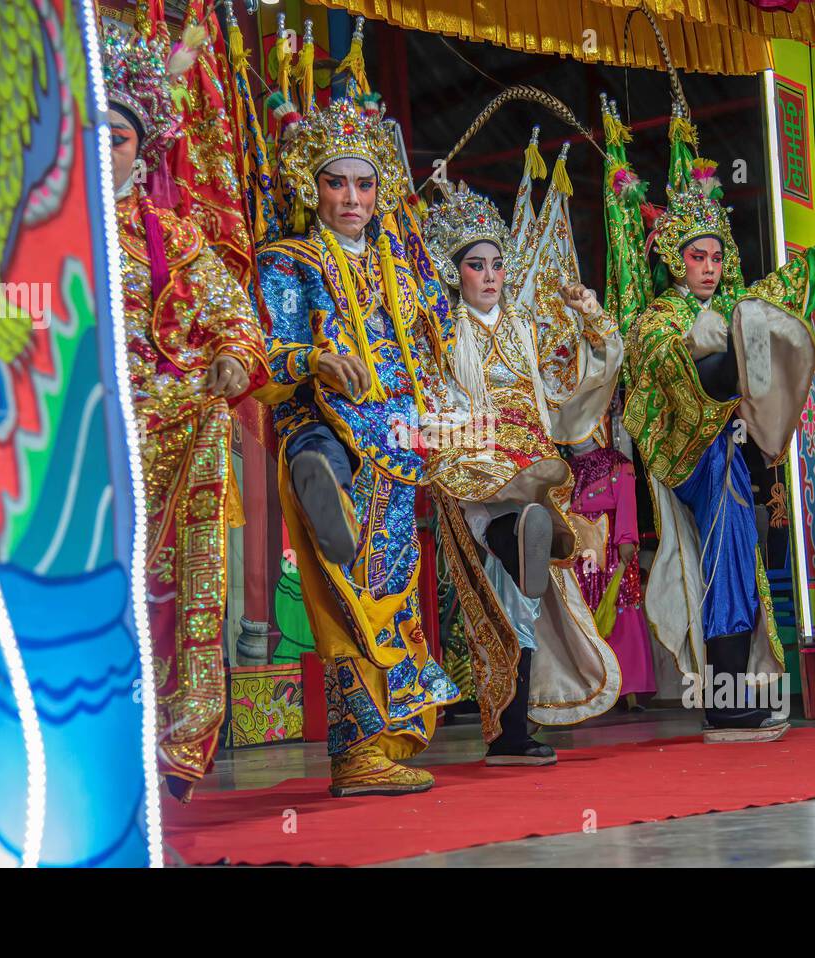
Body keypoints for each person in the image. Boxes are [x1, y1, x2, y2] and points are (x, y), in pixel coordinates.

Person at [614, 47, 815, 743]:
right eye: (696, 256)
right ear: (675, 260)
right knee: (726, 559)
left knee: (737, 565)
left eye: (717, 255)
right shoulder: (658, 320)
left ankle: (732, 693)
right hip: (693, 459)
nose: (709, 266)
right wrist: (731, 358)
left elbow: (783, 294)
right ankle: (723, 700)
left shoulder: (732, 304)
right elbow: (676, 374)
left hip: (731, 460)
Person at [253, 85, 460, 797]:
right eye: (336, 183)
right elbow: (267, 357)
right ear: (313, 189)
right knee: (343, 595)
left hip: (397, 447)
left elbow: (438, 341)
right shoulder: (288, 262)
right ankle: (357, 756)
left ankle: (376, 749)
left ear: (381, 190)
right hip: (330, 424)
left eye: (365, 183)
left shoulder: (402, 269)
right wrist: (313, 359)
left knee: (386, 594)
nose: (351, 196)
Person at [103, 25, 268, 802]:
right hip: (73, 442)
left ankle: (176, 737)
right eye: (93, 133)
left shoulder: (175, 235)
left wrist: (234, 356)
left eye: (121, 136)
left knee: (174, 593)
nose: (107, 149)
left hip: (168, 434)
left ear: (144, 149)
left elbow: (234, 315)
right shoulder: (40, 238)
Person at [421, 170, 622, 766]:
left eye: (497, 264)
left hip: (531, 469)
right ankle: (505, 732)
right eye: (476, 265)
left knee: (522, 600)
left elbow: (570, 389)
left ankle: (512, 734)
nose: (489, 276)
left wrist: (592, 318)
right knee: (497, 592)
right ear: (456, 271)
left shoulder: (525, 329)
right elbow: (436, 405)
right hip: (475, 467)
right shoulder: (443, 330)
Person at [567, 440, 655, 712]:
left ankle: (626, 686)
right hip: (580, 551)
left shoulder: (617, 462)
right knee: (584, 613)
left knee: (618, 608)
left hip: (612, 547)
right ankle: (591, 686)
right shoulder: (565, 468)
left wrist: (626, 538)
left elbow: (627, 501)